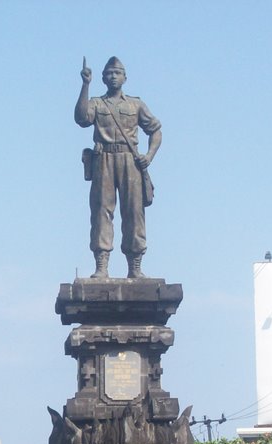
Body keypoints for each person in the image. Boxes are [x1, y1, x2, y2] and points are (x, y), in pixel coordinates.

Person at [75, 56, 162, 279]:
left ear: (125, 77)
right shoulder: (96, 102)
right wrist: (85, 85)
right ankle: (101, 265)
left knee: (134, 212)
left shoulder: (136, 104)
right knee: (101, 211)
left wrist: (149, 156)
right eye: (109, 73)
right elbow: (82, 118)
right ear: (103, 78)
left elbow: (155, 131)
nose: (113, 76)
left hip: (129, 160)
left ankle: (135, 266)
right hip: (103, 159)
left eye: (117, 73)